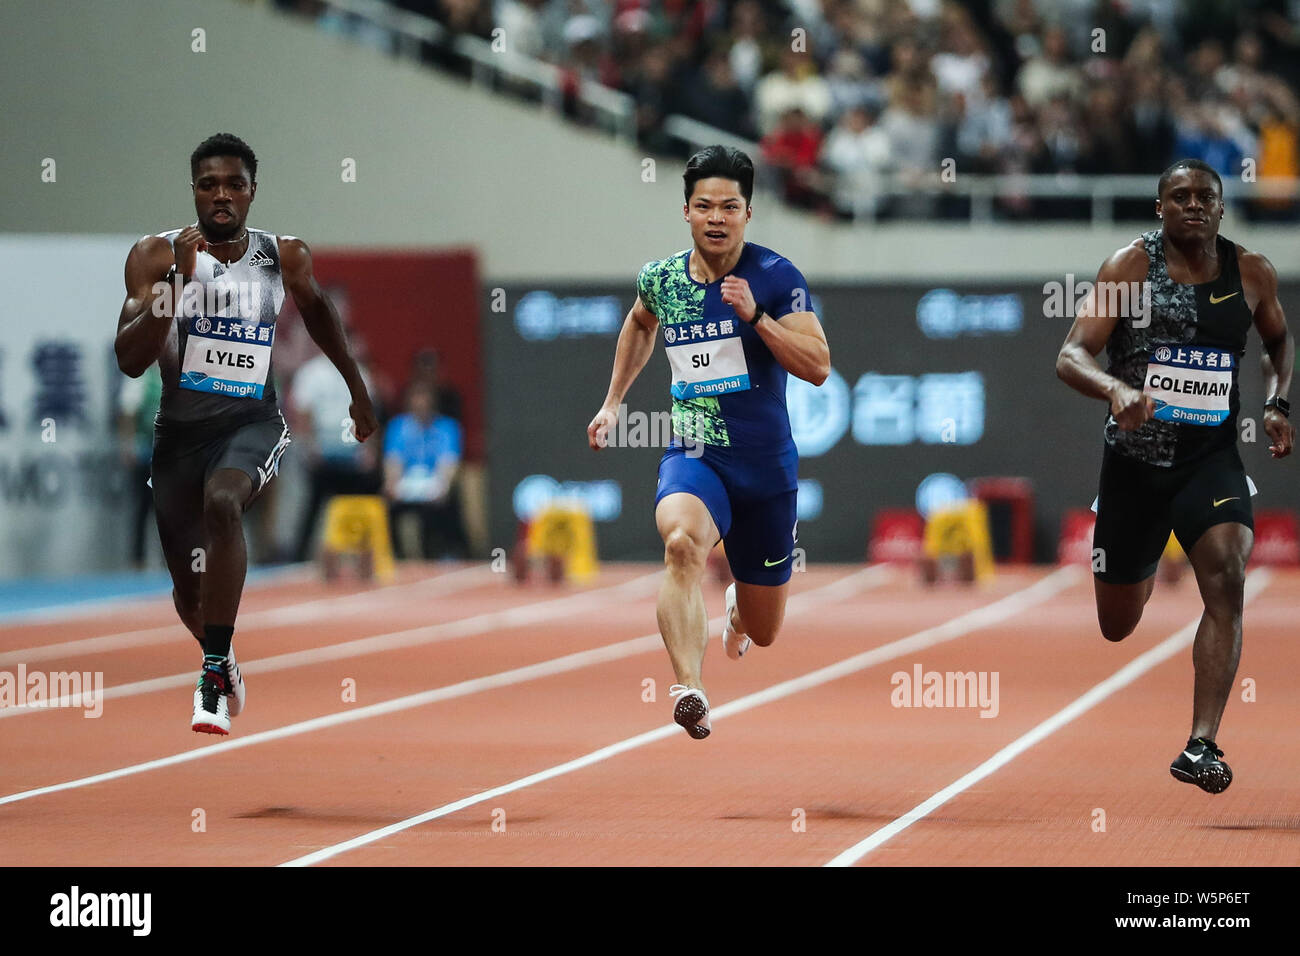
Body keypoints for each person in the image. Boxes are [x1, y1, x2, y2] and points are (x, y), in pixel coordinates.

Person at [114, 133, 378, 736]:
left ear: (252, 191)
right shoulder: (156, 255)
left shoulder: (283, 256)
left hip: (251, 422)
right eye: (209, 184)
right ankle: (222, 652)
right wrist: (175, 285)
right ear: (194, 191)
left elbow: (318, 314)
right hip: (179, 436)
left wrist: (357, 391)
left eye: (234, 184)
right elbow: (130, 359)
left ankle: (210, 675)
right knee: (187, 591)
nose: (222, 195)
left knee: (224, 503)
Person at [1056, 158, 1294, 793]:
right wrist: (1114, 389)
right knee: (1117, 625)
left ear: (1221, 207)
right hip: (1134, 466)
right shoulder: (1128, 268)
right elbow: (1071, 354)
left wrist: (1277, 402)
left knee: (1229, 573)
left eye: (1205, 197)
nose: (1193, 205)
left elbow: (1278, 342)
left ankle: (1201, 744)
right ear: (1159, 208)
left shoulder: (1253, 272)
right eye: (1180, 196)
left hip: (1208, 461)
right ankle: (1136, 568)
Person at [587, 145, 830, 740]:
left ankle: (737, 614)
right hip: (696, 454)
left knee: (766, 627)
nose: (716, 217)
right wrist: (613, 402)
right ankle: (689, 687)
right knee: (680, 545)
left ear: (748, 213)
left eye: (729, 206)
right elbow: (642, 322)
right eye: (704, 206)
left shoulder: (777, 278)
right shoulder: (662, 279)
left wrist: (757, 320)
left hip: (766, 470)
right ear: (687, 212)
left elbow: (819, 366)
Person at [383, 381, 466, 559]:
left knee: (445, 503)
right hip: (407, 484)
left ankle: (444, 551)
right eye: (417, 403)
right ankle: (395, 554)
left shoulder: (447, 427)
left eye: (425, 403)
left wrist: (442, 487)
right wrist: (392, 485)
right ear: (410, 404)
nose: (421, 408)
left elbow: (449, 462)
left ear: (432, 404)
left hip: (433, 483)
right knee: (387, 502)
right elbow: (393, 461)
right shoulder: (397, 426)